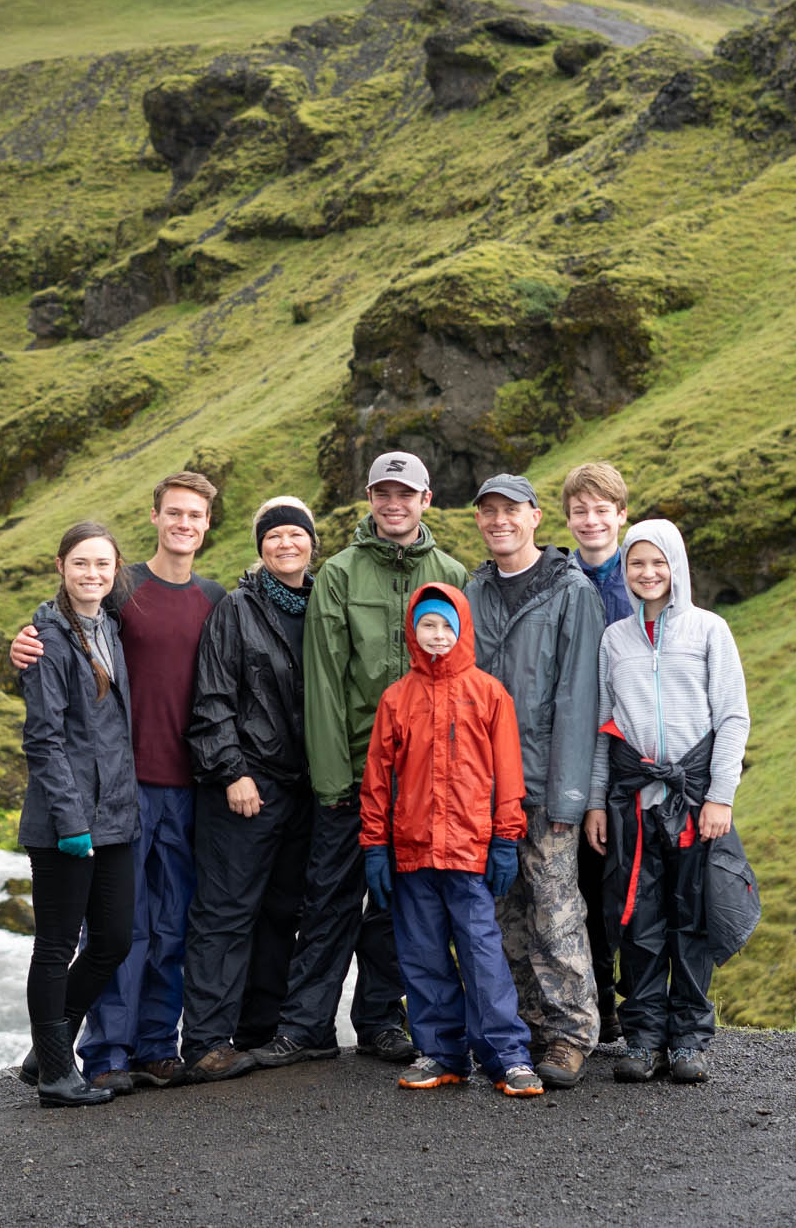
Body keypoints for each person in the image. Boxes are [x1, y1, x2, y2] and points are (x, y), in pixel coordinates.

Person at [251, 450, 469, 1070]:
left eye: (405, 493)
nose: (393, 504)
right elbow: (322, 684)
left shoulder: (451, 572)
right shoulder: (341, 574)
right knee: (329, 900)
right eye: (382, 493)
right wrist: (331, 780)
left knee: (400, 907)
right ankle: (306, 1026)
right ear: (369, 499)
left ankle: (379, 1020)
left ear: (426, 500)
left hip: (425, 782)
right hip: (353, 775)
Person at [10, 471, 226, 1093]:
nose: (185, 524)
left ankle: (156, 1045)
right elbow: (55, 642)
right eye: (174, 513)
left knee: (169, 925)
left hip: (188, 788)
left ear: (208, 525)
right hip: (114, 793)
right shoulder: (123, 594)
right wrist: (22, 644)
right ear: (155, 517)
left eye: (196, 515)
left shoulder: (215, 597)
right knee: (115, 932)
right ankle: (103, 1053)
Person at [585, 518, 752, 1083]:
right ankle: (643, 1036)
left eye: (658, 562)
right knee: (639, 919)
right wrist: (597, 803)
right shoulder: (616, 639)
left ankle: (688, 1039)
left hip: (696, 797)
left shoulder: (709, 630)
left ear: (676, 566)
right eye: (637, 563)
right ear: (625, 569)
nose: (648, 573)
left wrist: (721, 797)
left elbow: (732, 717)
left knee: (692, 917)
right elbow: (605, 725)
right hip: (634, 801)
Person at [361, 585, 541, 1097]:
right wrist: (376, 845)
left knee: (482, 954)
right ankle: (441, 1052)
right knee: (422, 956)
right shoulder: (397, 699)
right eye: (427, 626)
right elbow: (377, 779)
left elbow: (508, 777)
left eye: (446, 626)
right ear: (412, 632)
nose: (437, 637)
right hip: (413, 854)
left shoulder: (489, 694)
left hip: (469, 853)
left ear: (462, 629)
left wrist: (505, 840)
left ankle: (507, 1054)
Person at [465, 472, 604, 1090]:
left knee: (555, 912)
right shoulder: (473, 592)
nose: (499, 521)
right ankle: (520, 1030)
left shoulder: (570, 591)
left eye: (510, 511)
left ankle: (571, 1034)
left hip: (546, 785)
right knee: (501, 914)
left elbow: (580, 698)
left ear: (535, 518)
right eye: (488, 512)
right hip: (484, 790)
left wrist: (571, 794)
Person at [178, 496, 320, 1082]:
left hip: (305, 787)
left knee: (281, 911)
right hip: (247, 784)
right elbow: (211, 700)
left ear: (313, 542)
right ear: (259, 547)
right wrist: (232, 772)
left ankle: (259, 1031)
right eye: (274, 536)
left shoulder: (323, 602)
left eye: (296, 535)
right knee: (225, 912)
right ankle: (208, 1040)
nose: (286, 544)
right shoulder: (236, 608)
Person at [15, 521, 137, 1108]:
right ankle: (59, 1077)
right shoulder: (46, 638)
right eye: (82, 563)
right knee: (56, 944)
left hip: (114, 814)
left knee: (114, 938)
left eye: (103, 565)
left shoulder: (110, 625)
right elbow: (43, 740)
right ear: (60, 566)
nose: (93, 574)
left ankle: (49, 1046)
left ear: (116, 571)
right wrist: (70, 823)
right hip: (67, 821)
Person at [561, 462, 633, 1044]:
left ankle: (642, 1008)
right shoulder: (559, 578)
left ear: (620, 515)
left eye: (601, 510)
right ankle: (599, 1005)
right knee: (582, 880)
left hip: (632, 750)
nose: (591, 520)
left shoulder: (640, 575)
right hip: (574, 745)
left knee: (629, 881)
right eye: (580, 510)